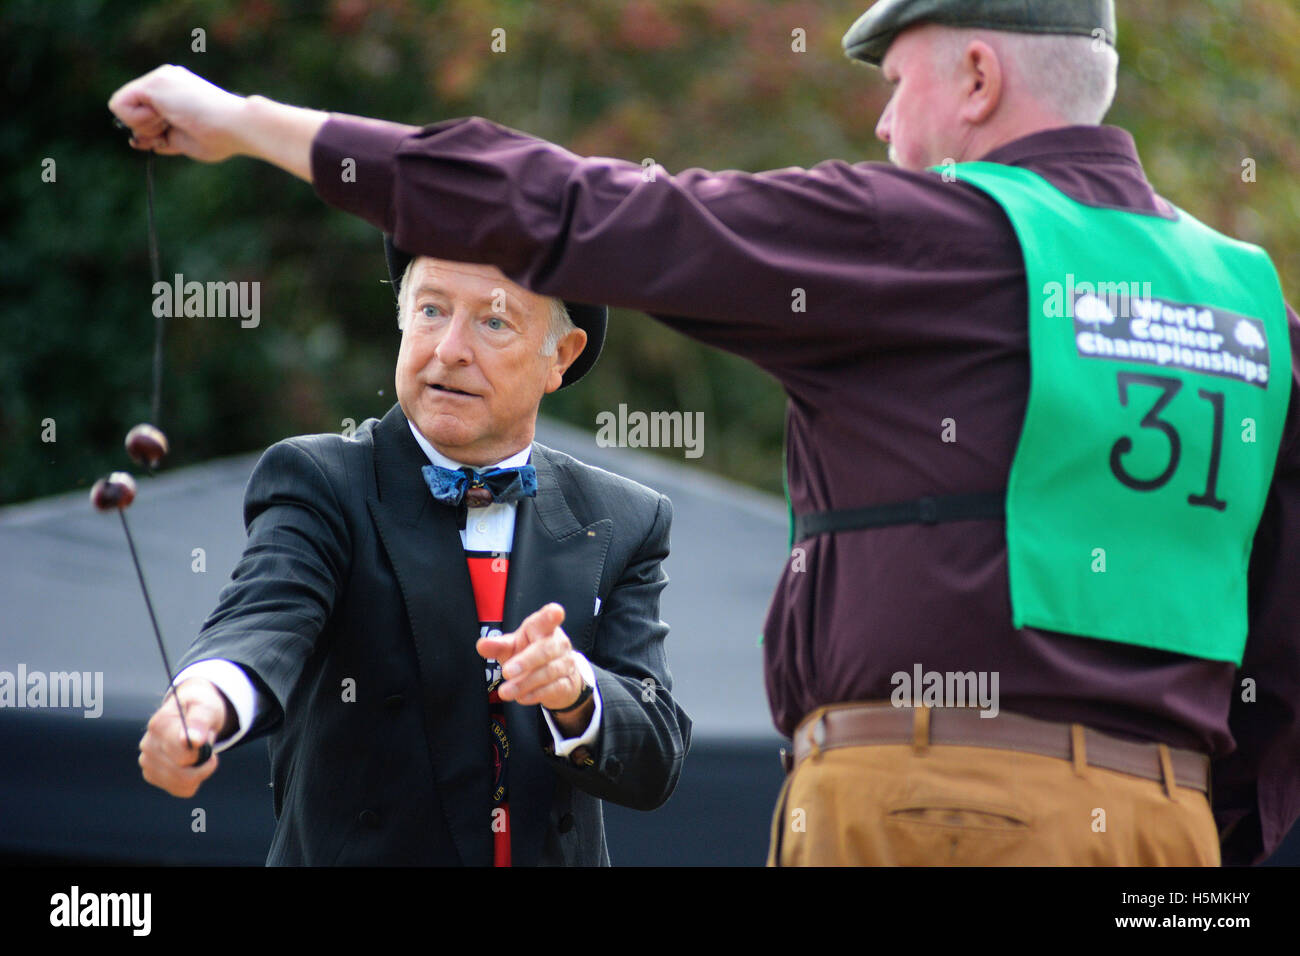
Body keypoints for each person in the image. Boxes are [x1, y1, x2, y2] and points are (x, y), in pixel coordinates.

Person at [112, 0, 1300, 866]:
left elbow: (589, 210)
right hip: (1166, 829)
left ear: (977, 78)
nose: (884, 126)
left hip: (926, 806)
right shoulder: (1255, 308)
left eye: (897, 84)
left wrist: (252, 121)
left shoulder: (923, 233)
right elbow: (1282, 656)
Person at [135, 245, 691, 866]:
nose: (450, 348)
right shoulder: (321, 480)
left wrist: (577, 692)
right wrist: (206, 701)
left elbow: (655, 763)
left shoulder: (624, 518)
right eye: (431, 310)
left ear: (558, 356)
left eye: (493, 321)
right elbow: (262, 617)